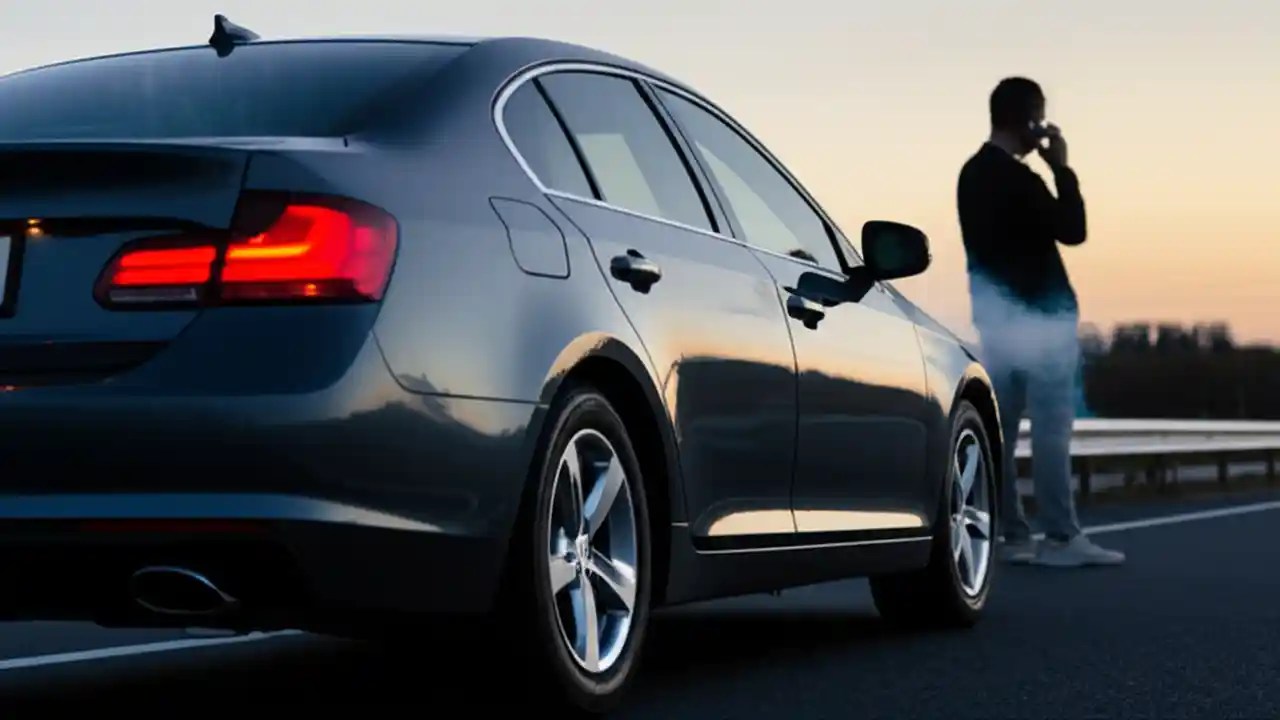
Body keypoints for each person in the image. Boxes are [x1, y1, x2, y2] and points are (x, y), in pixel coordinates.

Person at [956, 77, 1125, 567]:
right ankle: (1060, 537)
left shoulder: (971, 174)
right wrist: (1062, 169)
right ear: (1029, 119)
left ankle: (1010, 534)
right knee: (1052, 430)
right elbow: (1073, 231)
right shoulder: (1020, 178)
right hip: (1043, 322)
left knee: (1001, 434)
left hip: (997, 322)